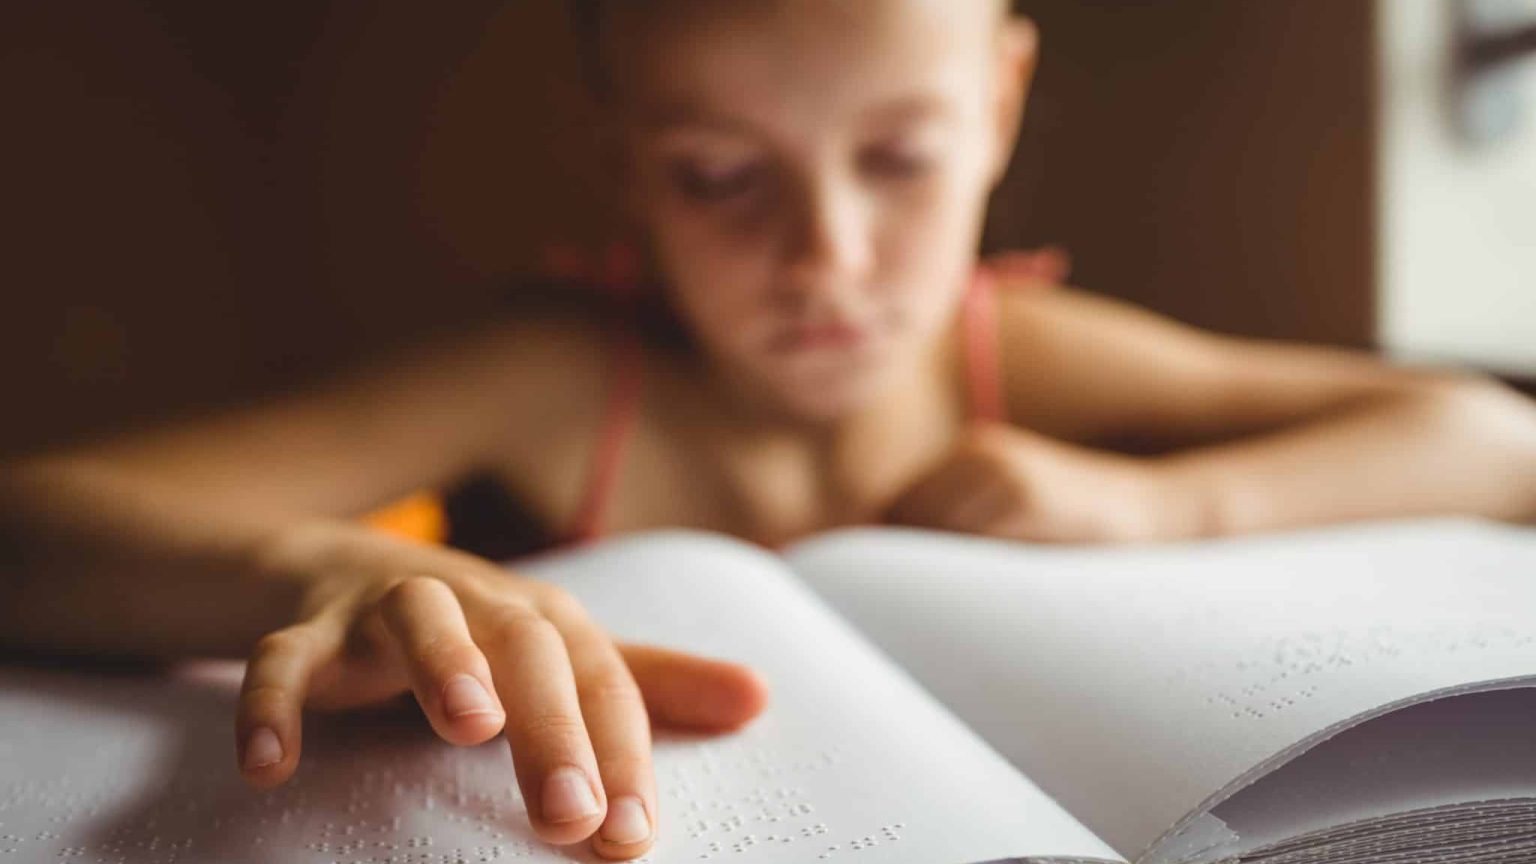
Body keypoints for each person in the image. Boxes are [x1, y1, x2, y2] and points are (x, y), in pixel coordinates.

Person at [4, 0, 1536, 859]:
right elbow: (32, 523)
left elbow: (1485, 438)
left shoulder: (1010, 352)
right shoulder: (554, 373)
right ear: (617, 162)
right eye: (723, 178)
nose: (830, 259)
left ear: (998, 107)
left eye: (903, 158)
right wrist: (321, 570)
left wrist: (1151, 507)